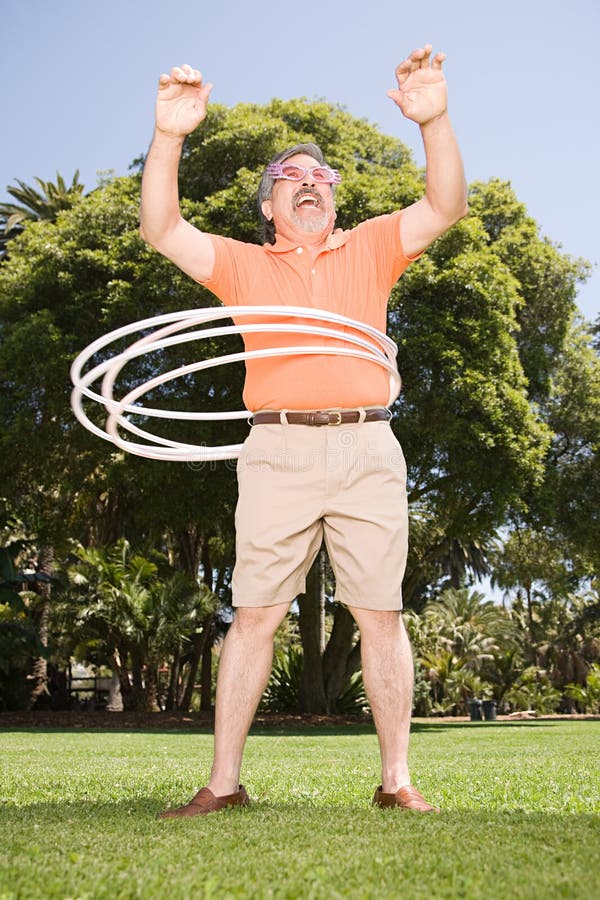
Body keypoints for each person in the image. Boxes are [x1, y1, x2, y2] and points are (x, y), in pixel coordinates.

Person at [140, 45, 468, 817]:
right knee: (255, 613)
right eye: (294, 178)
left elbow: (447, 204)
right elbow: (161, 228)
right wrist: (169, 137)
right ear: (268, 205)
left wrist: (436, 119)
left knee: (380, 614)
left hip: (368, 444)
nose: (312, 184)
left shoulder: (375, 244)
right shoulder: (242, 265)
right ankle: (223, 783)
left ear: (336, 198)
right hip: (277, 447)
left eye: (323, 178)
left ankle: (396, 780)